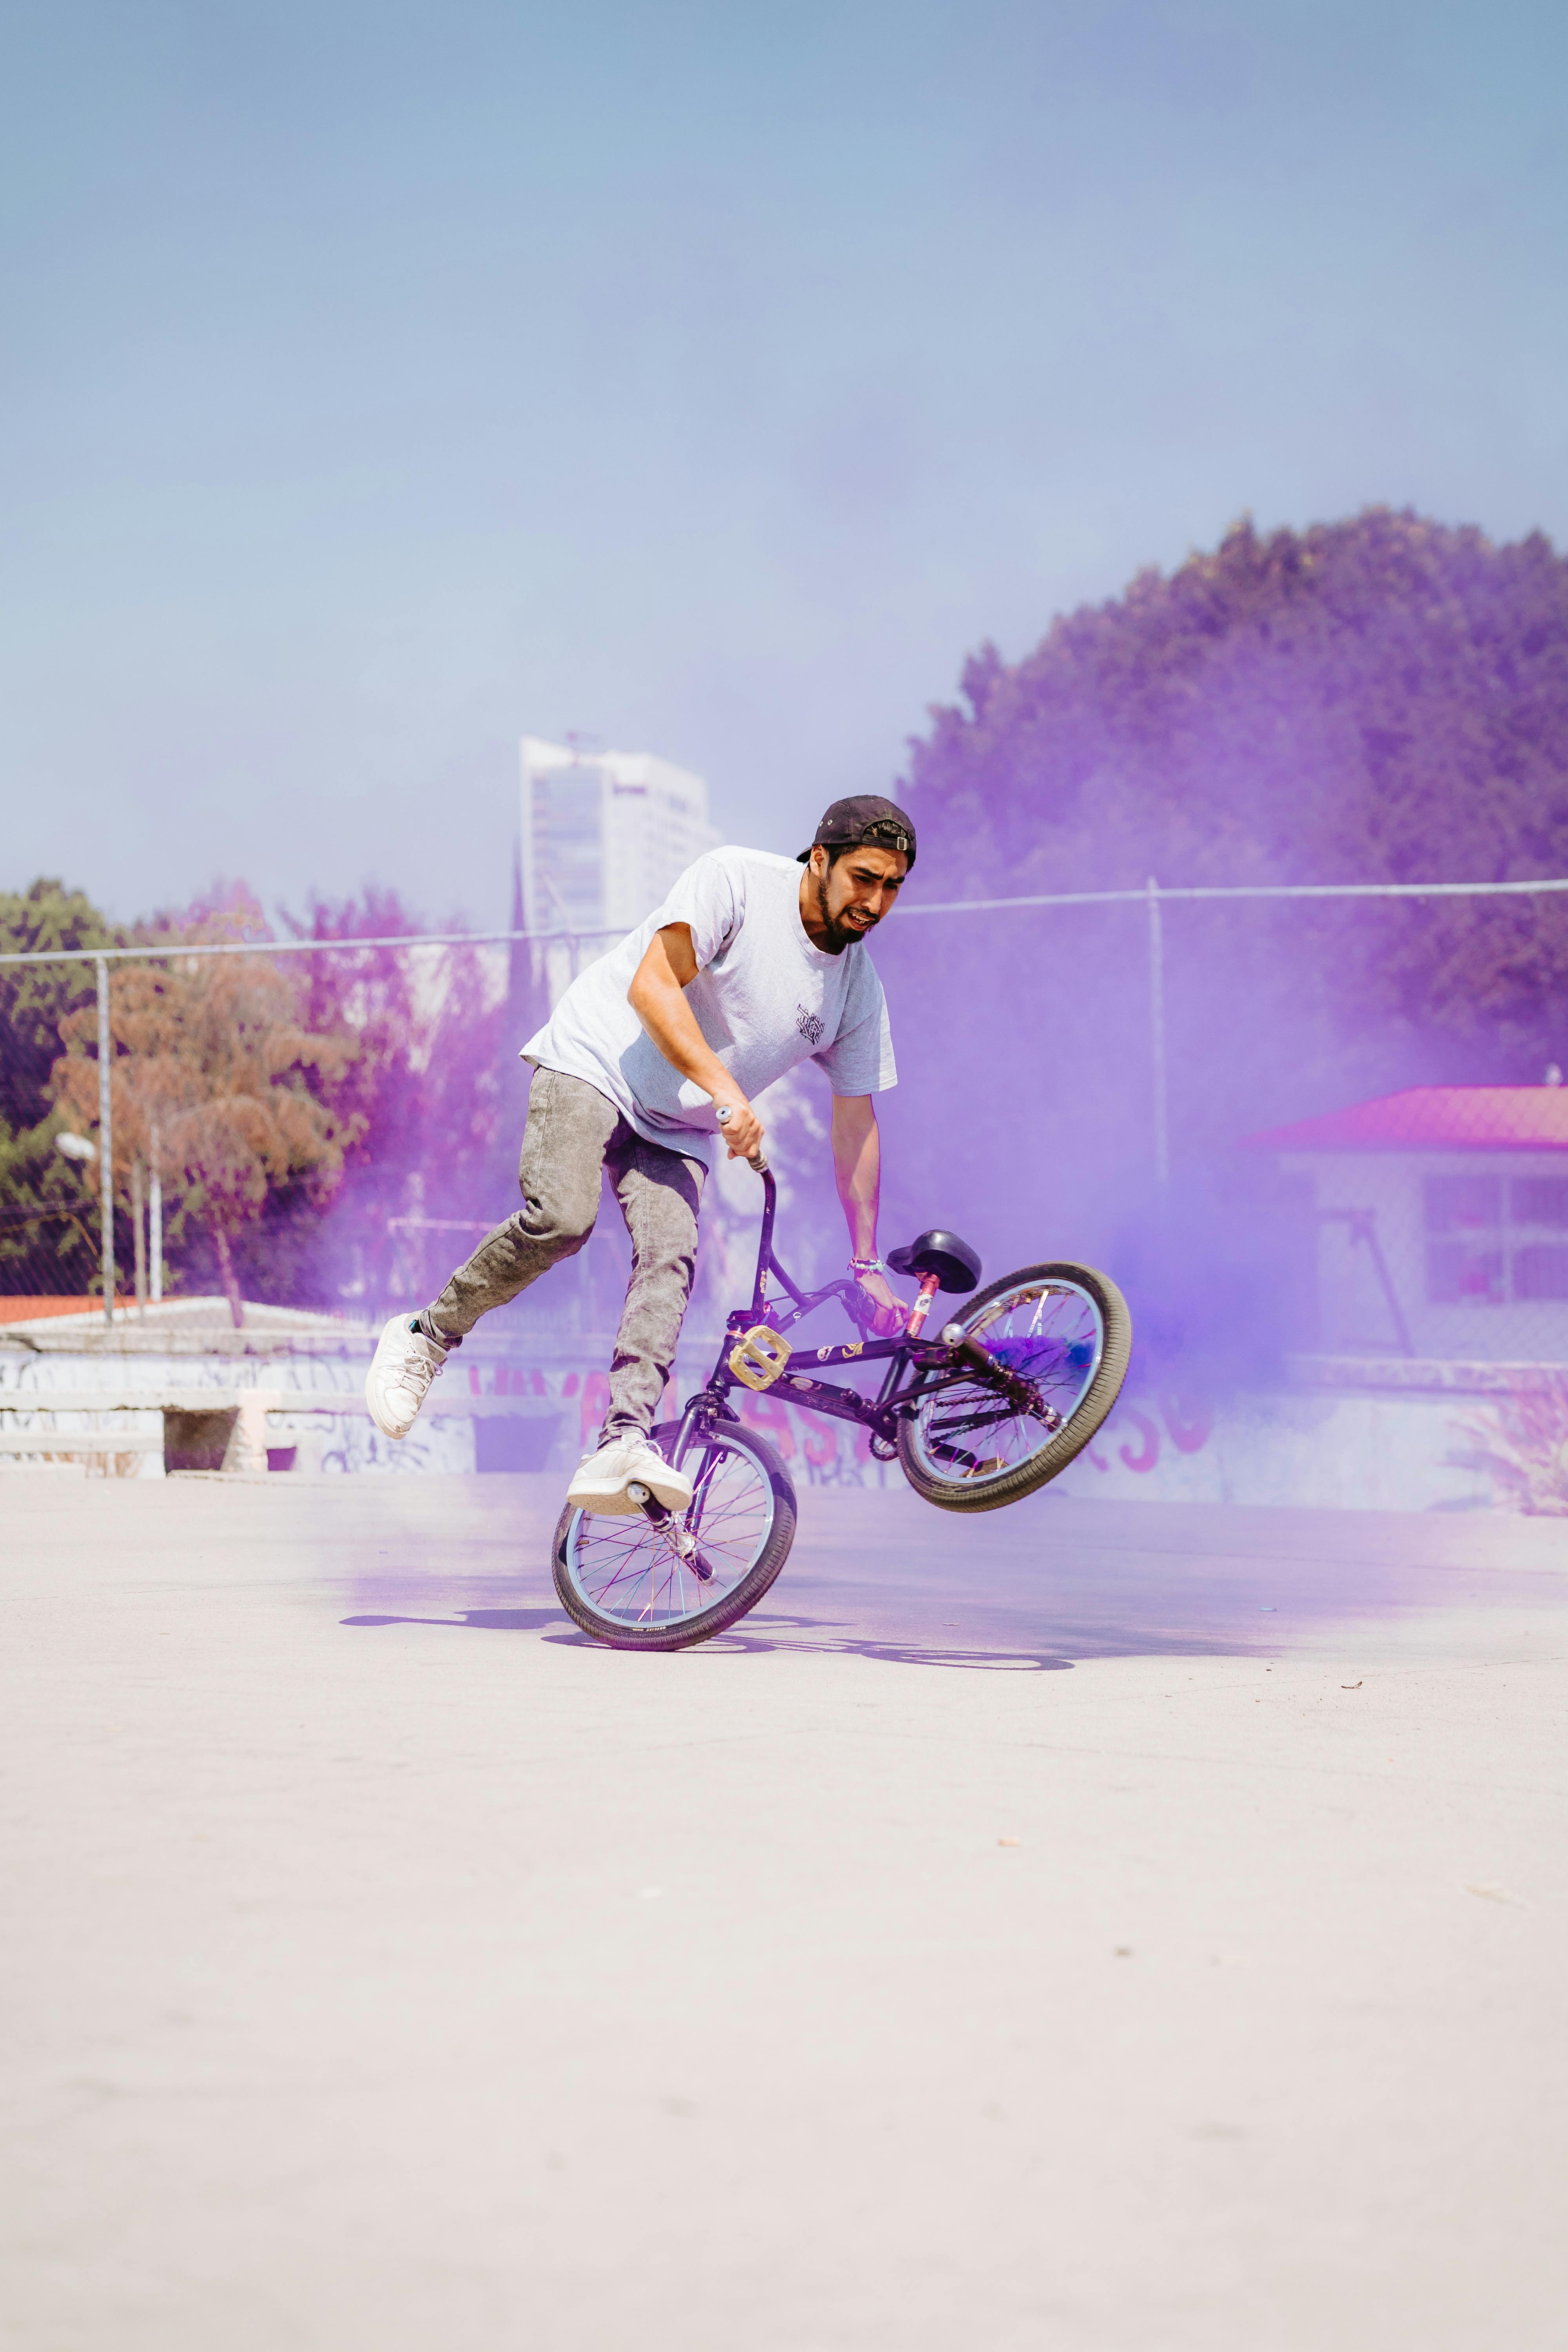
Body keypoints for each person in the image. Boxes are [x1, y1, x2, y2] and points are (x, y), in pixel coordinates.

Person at [366, 794, 915, 1512]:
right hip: (596, 1061)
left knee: (671, 1256)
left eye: (892, 887)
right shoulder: (738, 883)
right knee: (564, 1219)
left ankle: (623, 1438)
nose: (875, 902)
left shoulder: (858, 992)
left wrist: (866, 1266)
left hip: (676, 1123)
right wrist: (728, 1094)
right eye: (864, 879)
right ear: (820, 859)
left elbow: (857, 1127)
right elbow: (653, 987)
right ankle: (426, 1335)